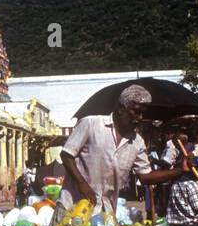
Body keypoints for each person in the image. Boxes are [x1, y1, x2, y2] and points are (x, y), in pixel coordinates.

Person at [61, 85, 190, 214]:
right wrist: (82, 183)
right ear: (121, 109)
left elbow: (145, 176)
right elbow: (67, 154)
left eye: (142, 113)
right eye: (136, 111)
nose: (140, 117)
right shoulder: (90, 124)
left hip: (103, 215)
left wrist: (179, 170)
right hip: (72, 207)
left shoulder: (137, 142)